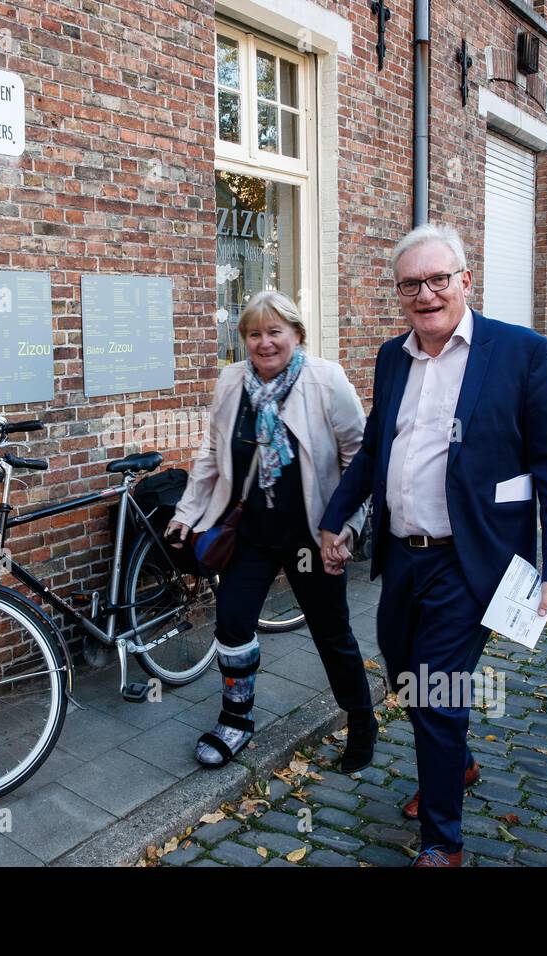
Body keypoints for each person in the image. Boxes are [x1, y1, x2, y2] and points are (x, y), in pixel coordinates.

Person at [320, 223, 547, 867]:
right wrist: (337, 517)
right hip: (403, 555)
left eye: (439, 279)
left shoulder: (520, 352)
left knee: (436, 689)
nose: (426, 294)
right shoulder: (391, 357)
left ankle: (442, 841)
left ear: (466, 280)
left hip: (475, 559)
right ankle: (455, 763)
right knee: (405, 672)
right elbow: (377, 448)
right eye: (411, 284)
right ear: (399, 293)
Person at [166, 290, 376, 771]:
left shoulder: (325, 381)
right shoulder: (231, 381)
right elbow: (211, 453)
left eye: (274, 331)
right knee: (232, 626)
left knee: (332, 633)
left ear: (296, 335)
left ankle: (361, 719)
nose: (264, 343)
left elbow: (359, 458)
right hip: (251, 534)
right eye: (254, 333)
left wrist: (344, 528)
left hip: (313, 537)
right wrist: (186, 512)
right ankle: (235, 721)